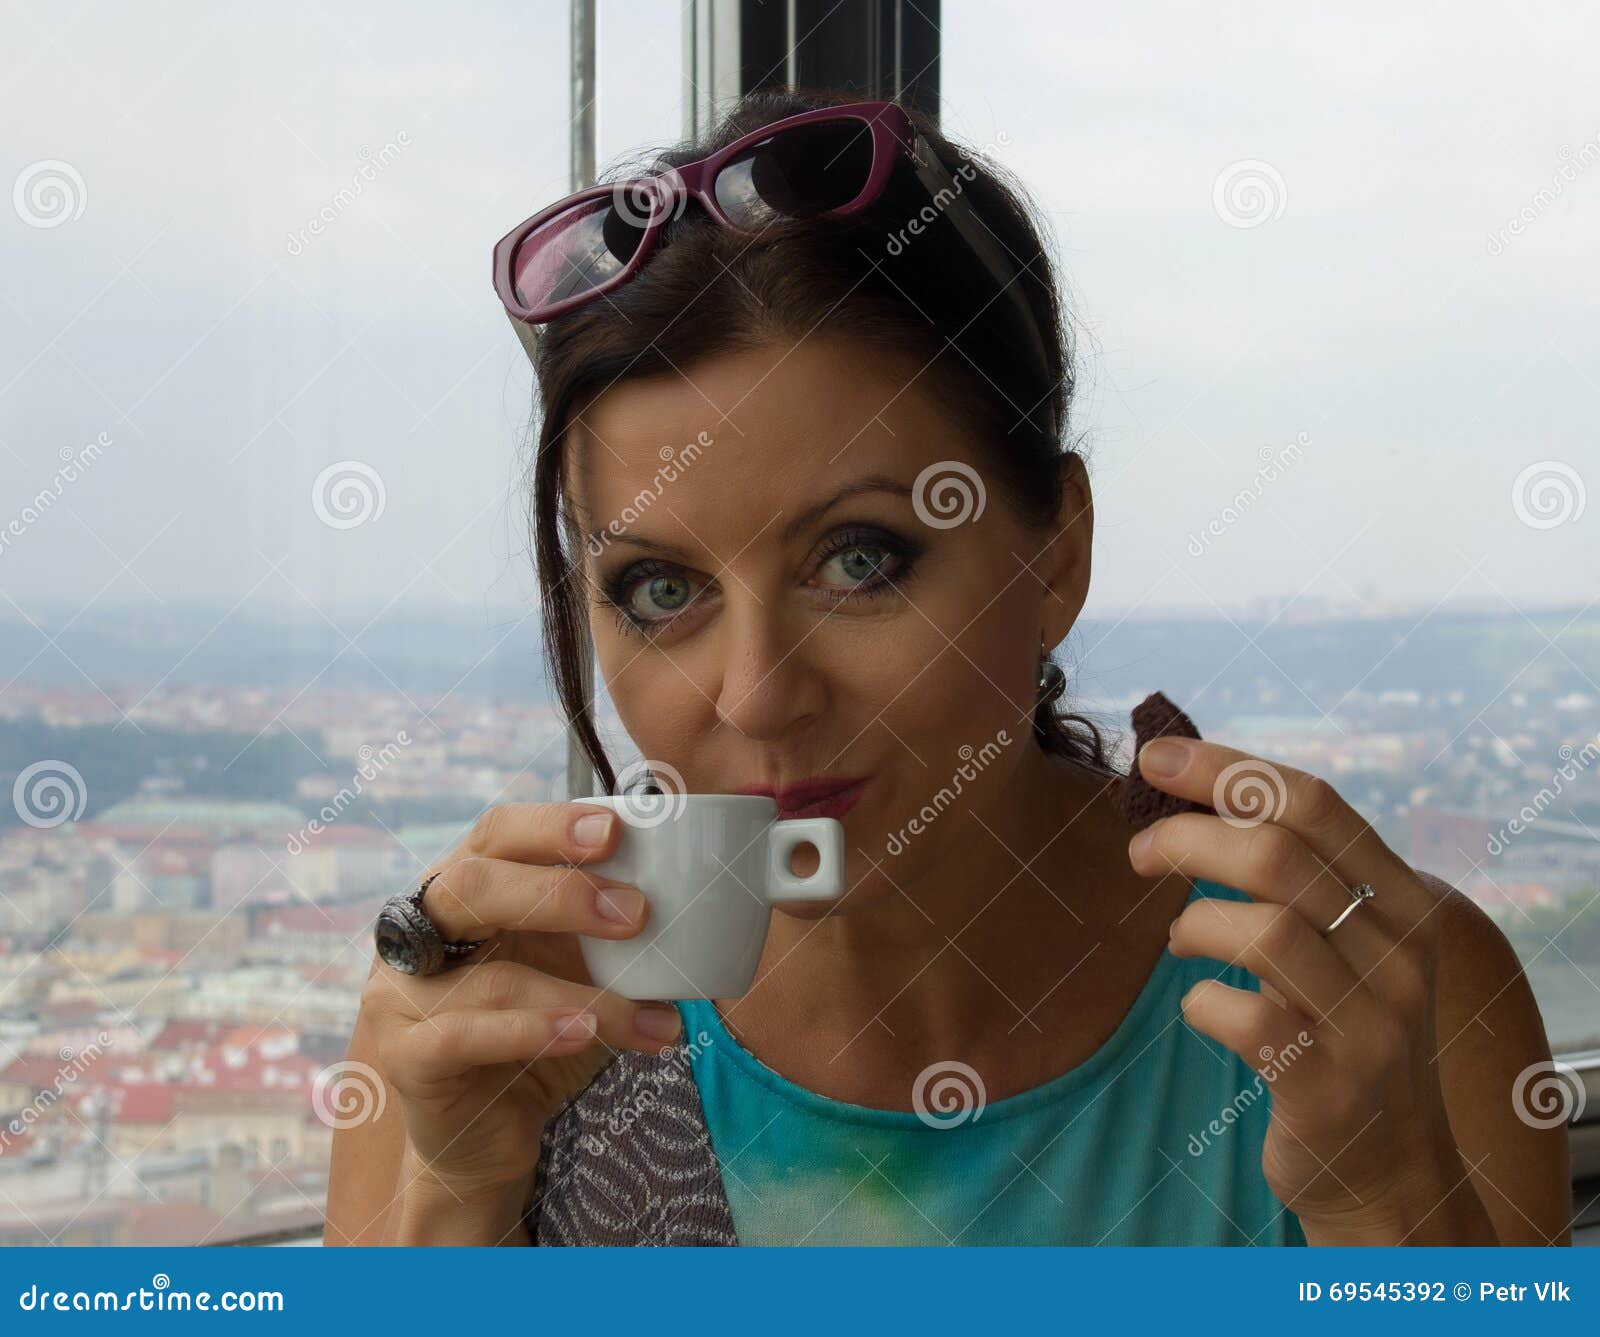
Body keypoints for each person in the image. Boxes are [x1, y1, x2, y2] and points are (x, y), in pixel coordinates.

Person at [323, 88, 1571, 1247]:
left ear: (1057, 553)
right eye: (661, 590)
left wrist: (1392, 1198)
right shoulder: (471, 1031)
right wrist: (448, 1206)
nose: (757, 694)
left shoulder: (1377, 1005)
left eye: (859, 560)